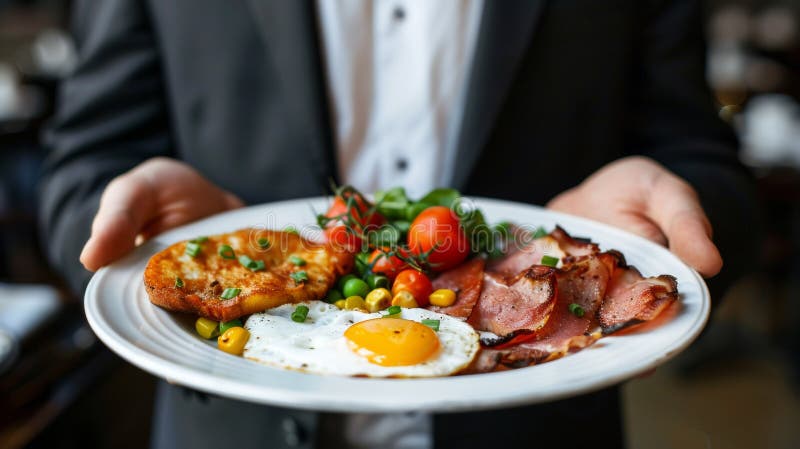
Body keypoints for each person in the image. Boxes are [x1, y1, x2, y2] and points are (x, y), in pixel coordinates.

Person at [39, 1, 758, 448]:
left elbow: (701, 154)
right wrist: (127, 241)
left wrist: (669, 227)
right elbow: (84, 157)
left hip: (539, 425)